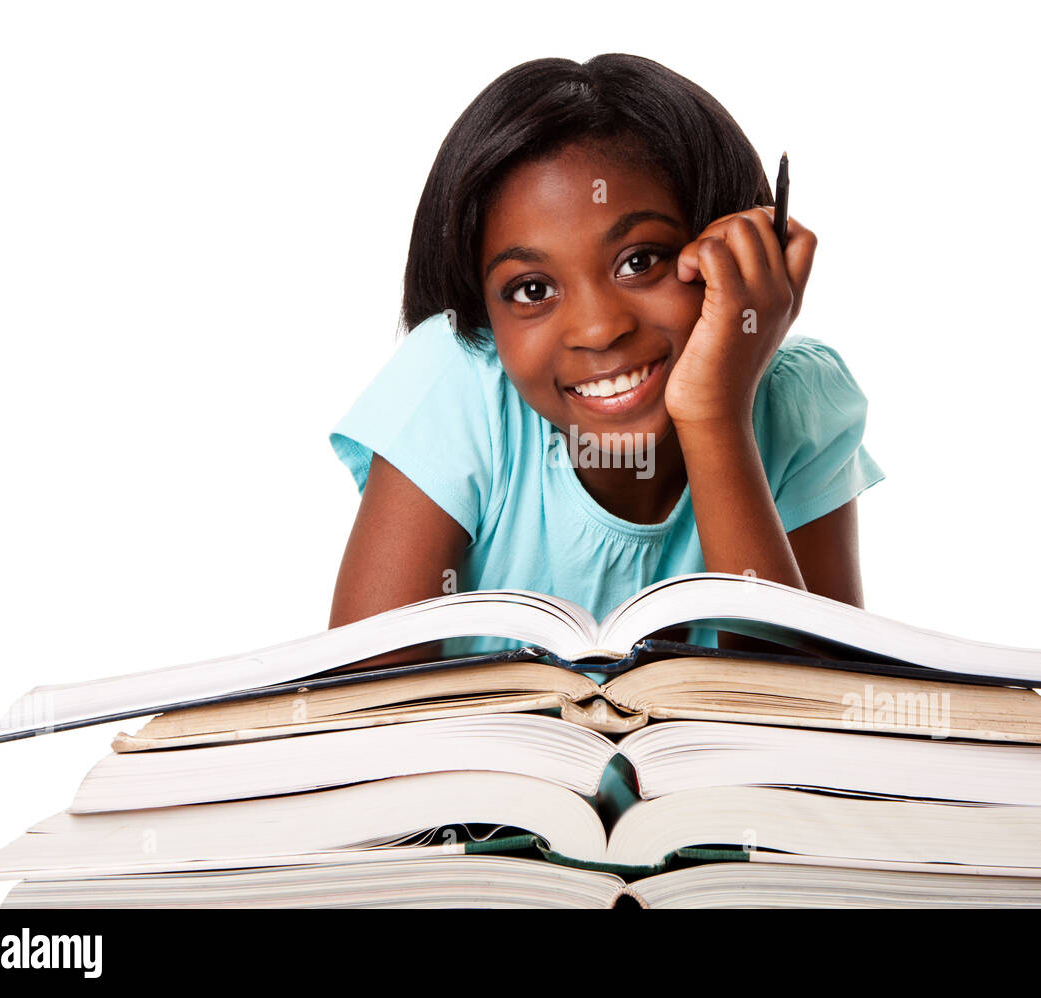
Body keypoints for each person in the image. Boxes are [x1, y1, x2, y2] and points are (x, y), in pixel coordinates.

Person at [327, 53, 885, 671]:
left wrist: (715, 414)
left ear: (735, 252)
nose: (598, 329)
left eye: (640, 261)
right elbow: (359, 717)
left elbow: (810, 719)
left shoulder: (798, 400)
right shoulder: (454, 382)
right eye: (532, 290)